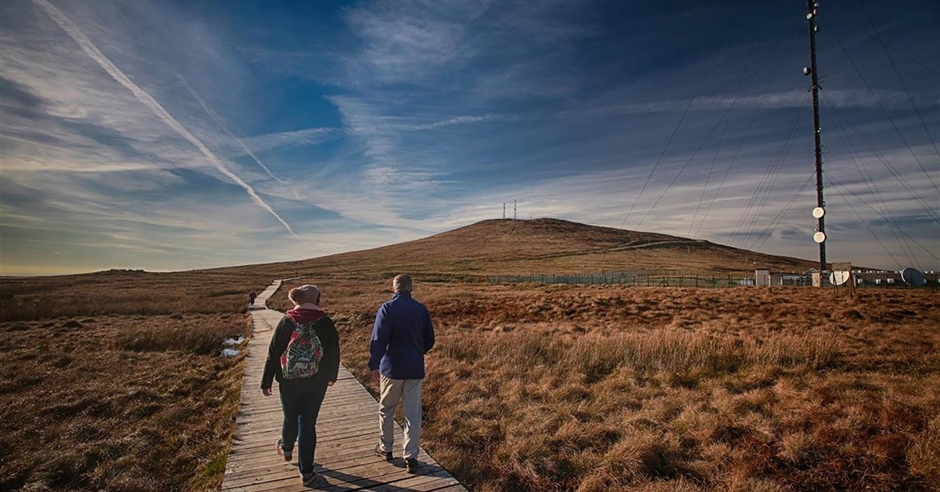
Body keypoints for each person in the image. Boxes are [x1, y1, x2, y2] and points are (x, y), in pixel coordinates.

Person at [261, 284, 339, 486]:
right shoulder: (325, 322)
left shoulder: (286, 321)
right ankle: (307, 473)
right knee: (307, 423)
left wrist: (266, 381)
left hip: (288, 381)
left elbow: (274, 352)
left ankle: (286, 448)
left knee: (290, 417)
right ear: (316, 300)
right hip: (316, 381)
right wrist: (332, 376)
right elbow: (333, 352)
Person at [369, 274, 435, 474]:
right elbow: (429, 339)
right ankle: (411, 456)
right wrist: (416, 352)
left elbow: (378, 339)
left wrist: (374, 363)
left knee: (387, 409)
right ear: (411, 288)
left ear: (394, 288)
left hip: (391, 368)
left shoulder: (387, 308)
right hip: (414, 368)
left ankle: (386, 448)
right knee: (412, 414)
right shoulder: (421, 310)